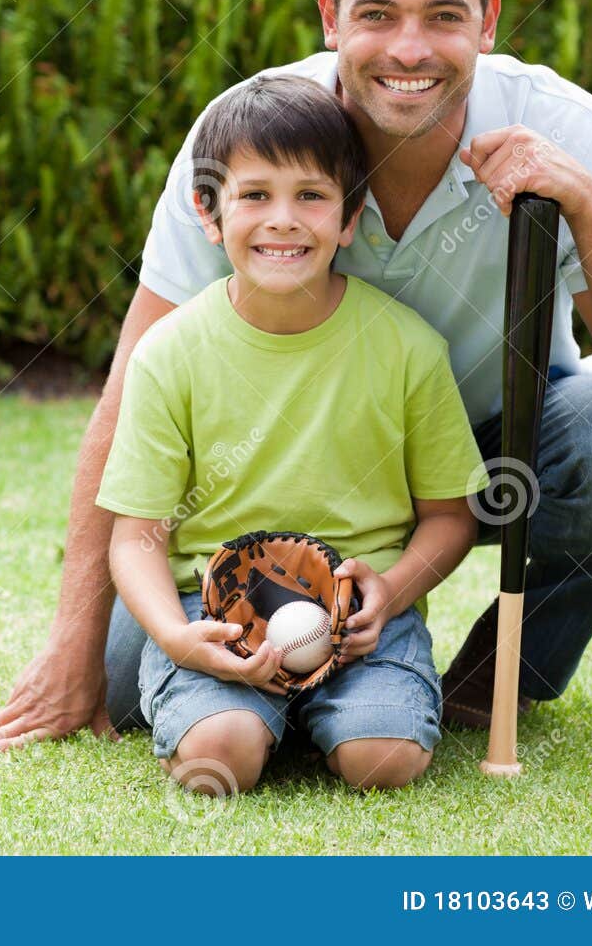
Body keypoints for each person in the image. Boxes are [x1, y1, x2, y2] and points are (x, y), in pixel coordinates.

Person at [0, 0, 592, 752]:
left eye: (444, 16)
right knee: (122, 686)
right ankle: (317, 689)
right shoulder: (247, 136)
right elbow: (130, 390)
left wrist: (585, 204)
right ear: (331, 17)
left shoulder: (566, 129)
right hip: (266, 491)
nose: (410, 48)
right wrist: (70, 649)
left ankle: (496, 677)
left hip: (489, 457)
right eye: (377, 14)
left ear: (488, 21)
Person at [98, 74, 487, 793]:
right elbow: (134, 537)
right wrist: (179, 638)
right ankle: (248, 718)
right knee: (219, 759)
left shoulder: (407, 348)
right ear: (208, 213)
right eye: (254, 195)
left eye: (311, 195)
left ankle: (331, 718)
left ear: (350, 216)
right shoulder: (169, 353)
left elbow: (451, 516)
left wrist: (392, 591)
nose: (283, 220)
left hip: (361, 616)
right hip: (211, 611)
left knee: (384, 762)